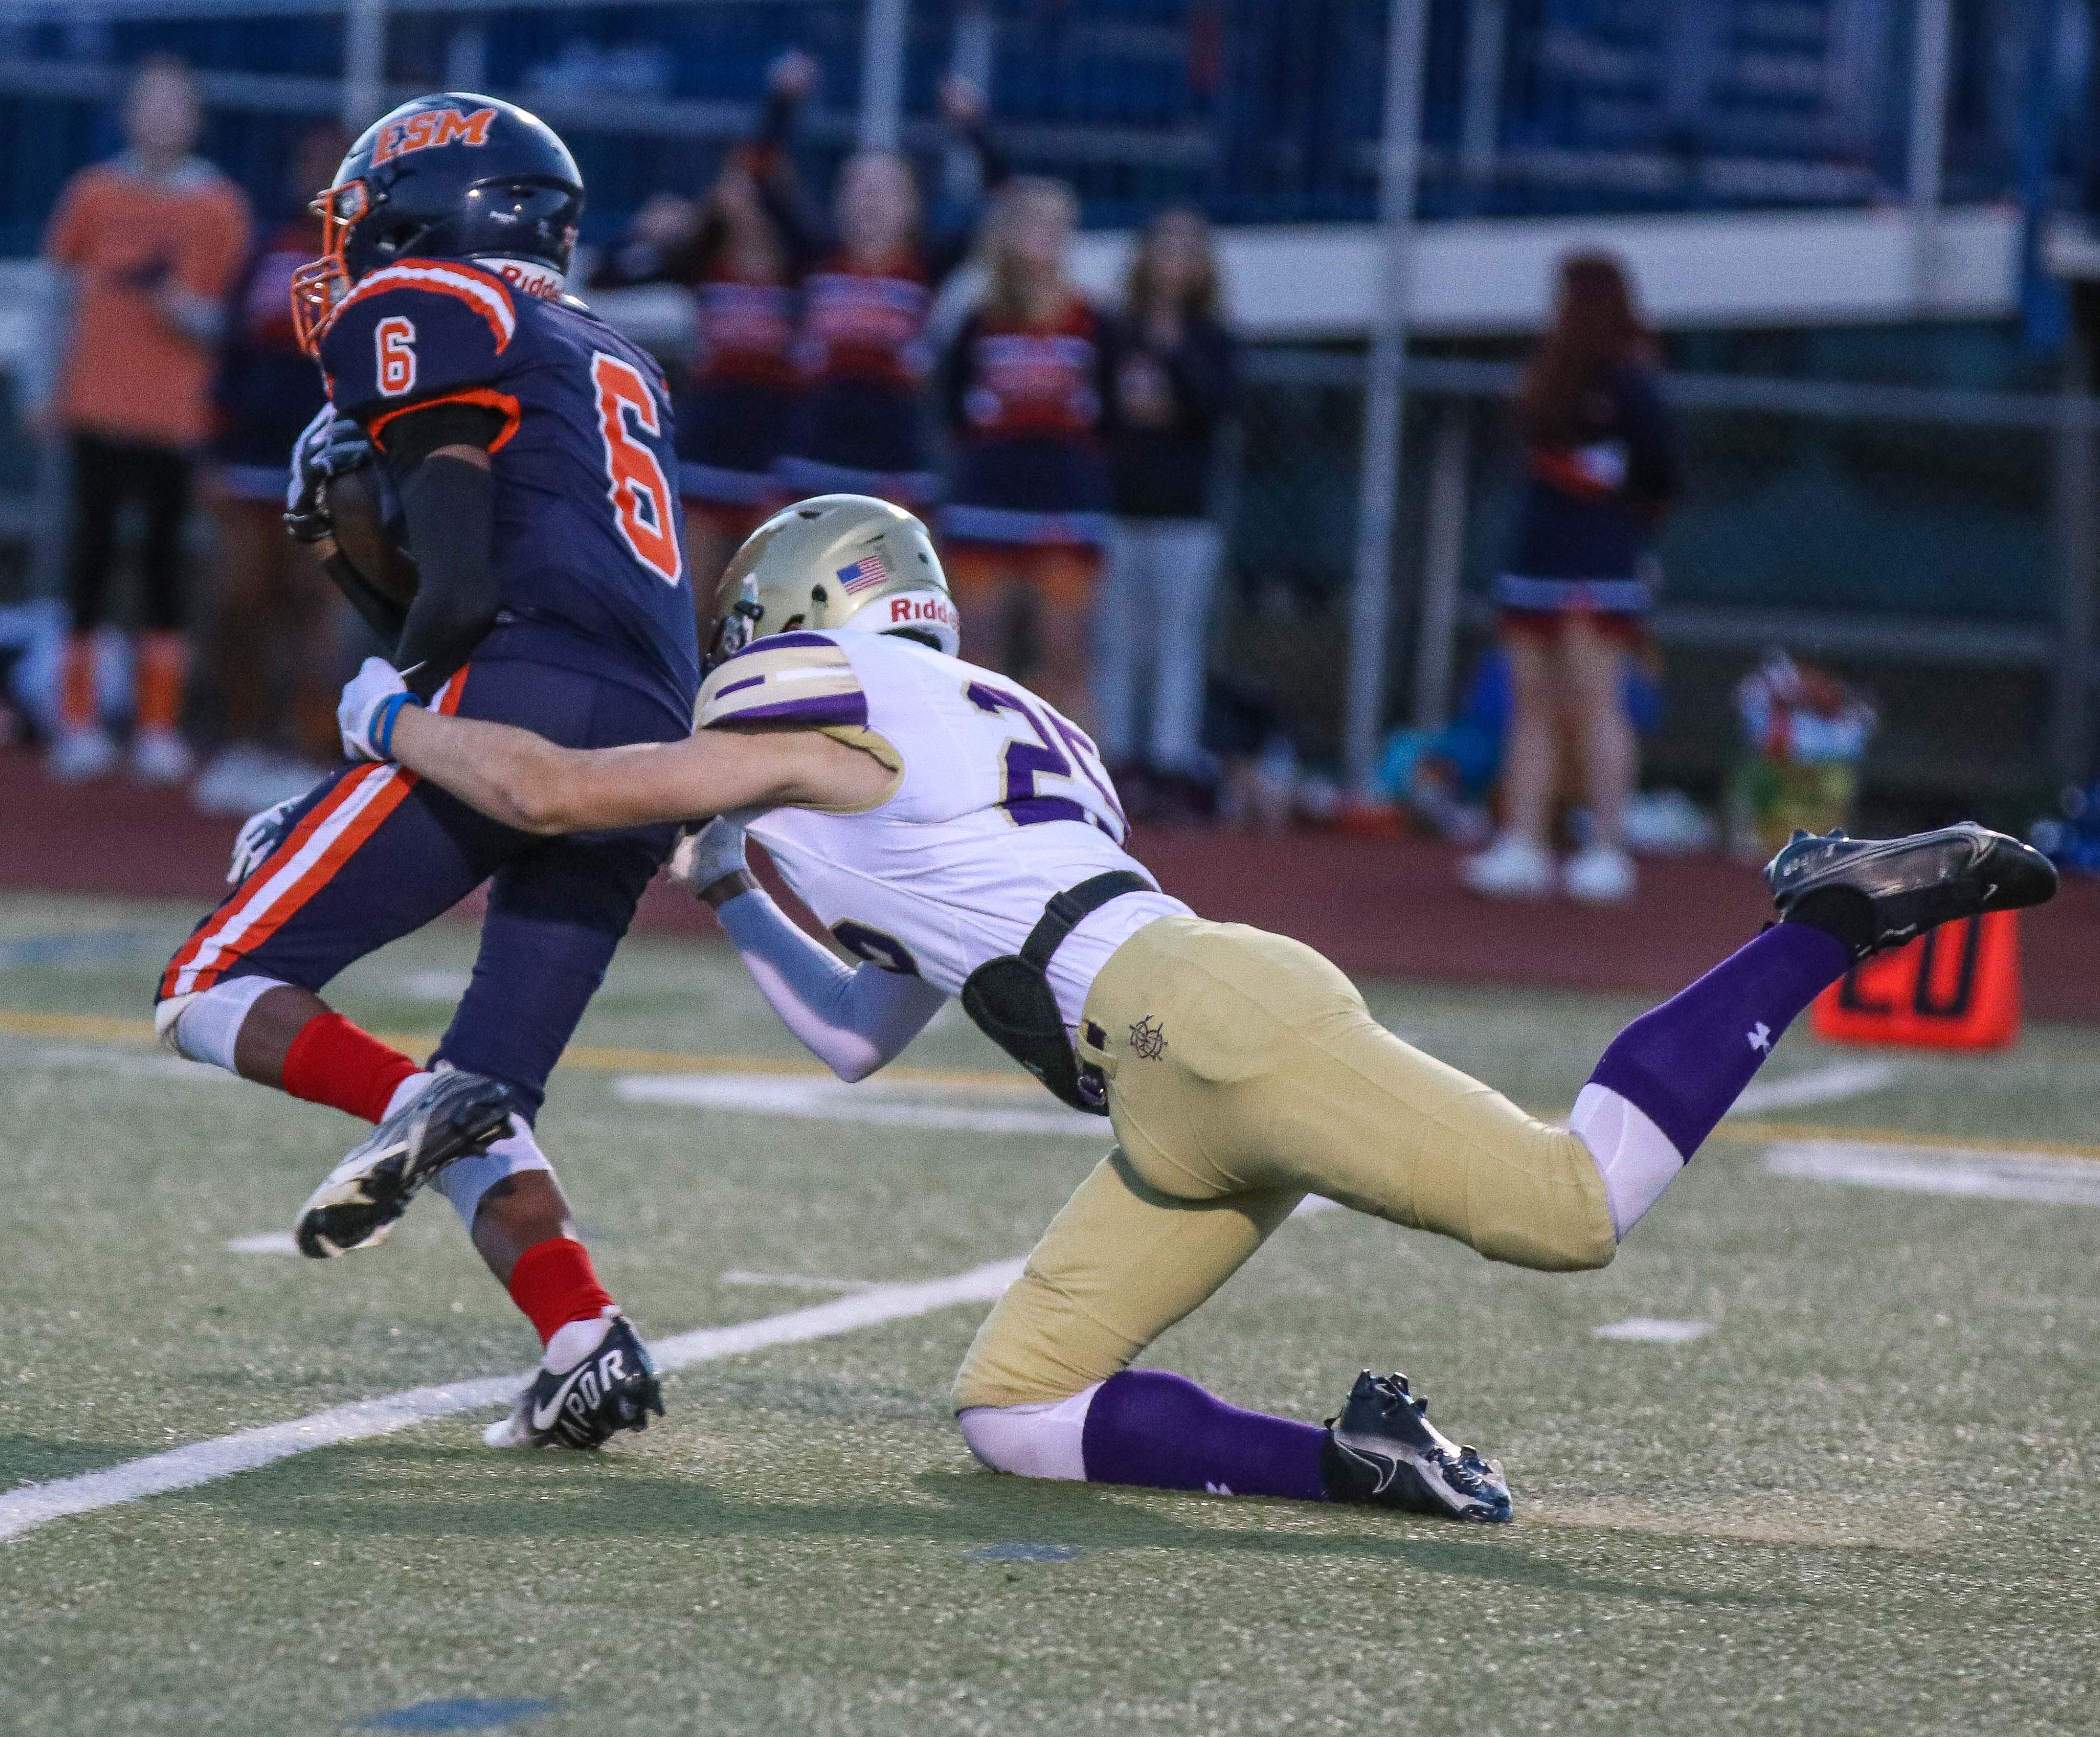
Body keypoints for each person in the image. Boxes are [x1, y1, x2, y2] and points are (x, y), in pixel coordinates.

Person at [330, 492, 2057, 1515]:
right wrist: (721, 873)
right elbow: (852, 1033)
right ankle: (1365, 1461)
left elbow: (553, 790)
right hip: (1165, 1062)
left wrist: (390, 717)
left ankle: (1821, 919)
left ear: (798, 613)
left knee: (1577, 1201)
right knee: (1016, 1407)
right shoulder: (973, 721)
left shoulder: (825, 697)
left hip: (1192, 1020)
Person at [154, 94, 702, 1453]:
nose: (347, 246)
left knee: (207, 987)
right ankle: (586, 1338)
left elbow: (458, 578)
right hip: (648, 737)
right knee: (487, 1083)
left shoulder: (423, 300)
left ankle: (405, 1105)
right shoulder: (604, 342)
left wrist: (380, 708)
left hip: (514, 701)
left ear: (435, 202)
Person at [41, 57, 252, 783]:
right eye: (148, 104)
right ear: (128, 114)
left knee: (165, 564)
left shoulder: (219, 205)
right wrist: (47, 388)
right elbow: (59, 295)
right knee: (89, 559)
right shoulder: (94, 193)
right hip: (97, 408)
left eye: (175, 105)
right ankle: (78, 720)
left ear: (195, 117)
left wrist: (185, 313)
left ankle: (158, 726)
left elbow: (234, 315)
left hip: (176, 417)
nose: (161, 117)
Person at [1463, 251, 1679, 905]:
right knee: (1528, 703)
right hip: (1536, 556)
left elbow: (1662, 471)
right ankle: (1523, 842)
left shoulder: (1630, 381)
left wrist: (1627, 528)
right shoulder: (1547, 373)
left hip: (1598, 560)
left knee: (1596, 702)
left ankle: (1605, 846)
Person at [590, 51, 823, 610]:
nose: (740, 198)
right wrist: (643, 232)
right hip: (708, 441)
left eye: (752, 189)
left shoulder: (808, 265)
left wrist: (782, 104)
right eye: (730, 186)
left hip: (781, 447)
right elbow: (605, 276)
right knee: (690, 599)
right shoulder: (701, 260)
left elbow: (763, 161)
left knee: (764, 603)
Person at [194, 121, 353, 817]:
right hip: (250, 462)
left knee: (311, 606)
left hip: (327, 464)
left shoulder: (374, 263)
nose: (318, 182)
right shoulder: (263, 251)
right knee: (240, 601)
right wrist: (212, 448)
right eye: (309, 165)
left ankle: (311, 750)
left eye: (333, 168)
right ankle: (244, 741)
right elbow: (227, 358)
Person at [772, 75, 1006, 514]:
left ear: (912, 205)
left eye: (887, 188)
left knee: (898, 579)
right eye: (859, 187)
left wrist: (973, 128)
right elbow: (762, 175)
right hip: (814, 443)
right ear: (839, 200)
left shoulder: (926, 264)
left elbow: (1000, 199)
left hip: (898, 447)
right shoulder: (815, 256)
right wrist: (782, 105)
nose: (872, 199)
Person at [938, 177, 1117, 730]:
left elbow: (1112, 414)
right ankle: (969, 785)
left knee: (1063, 655)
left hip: (1065, 501)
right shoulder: (977, 322)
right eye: (1030, 224)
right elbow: (950, 409)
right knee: (975, 653)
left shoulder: (1094, 321)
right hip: (986, 500)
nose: (1044, 238)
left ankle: (1077, 796)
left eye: (1055, 226)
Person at [1095, 207, 1237, 802]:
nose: (1173, 263)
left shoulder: (1214, 337)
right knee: (1116, 640)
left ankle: (1171, 762)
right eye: (1163, 249)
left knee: (1177, 639)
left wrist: (1172, 352)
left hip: (1185, 513)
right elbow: (1099, 408)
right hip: (1119, 505)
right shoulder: (1115, 331)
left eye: (1186, 251)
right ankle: (1117, 758)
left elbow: (1216, 406)